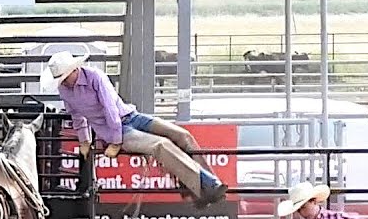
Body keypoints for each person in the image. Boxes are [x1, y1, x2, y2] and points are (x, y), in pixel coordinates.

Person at [40, 51, 228, 207]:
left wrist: (114, 141)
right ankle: (209, 185)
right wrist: (85, 140)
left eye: (65, 77)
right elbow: (77, 116)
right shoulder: (66, 90)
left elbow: (110, 108)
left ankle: (205, 185)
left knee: (182, 135)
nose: (64, 82)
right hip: (119, 130)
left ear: (75, 70)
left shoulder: (95, 77)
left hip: (128, 119)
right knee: (161, 145)